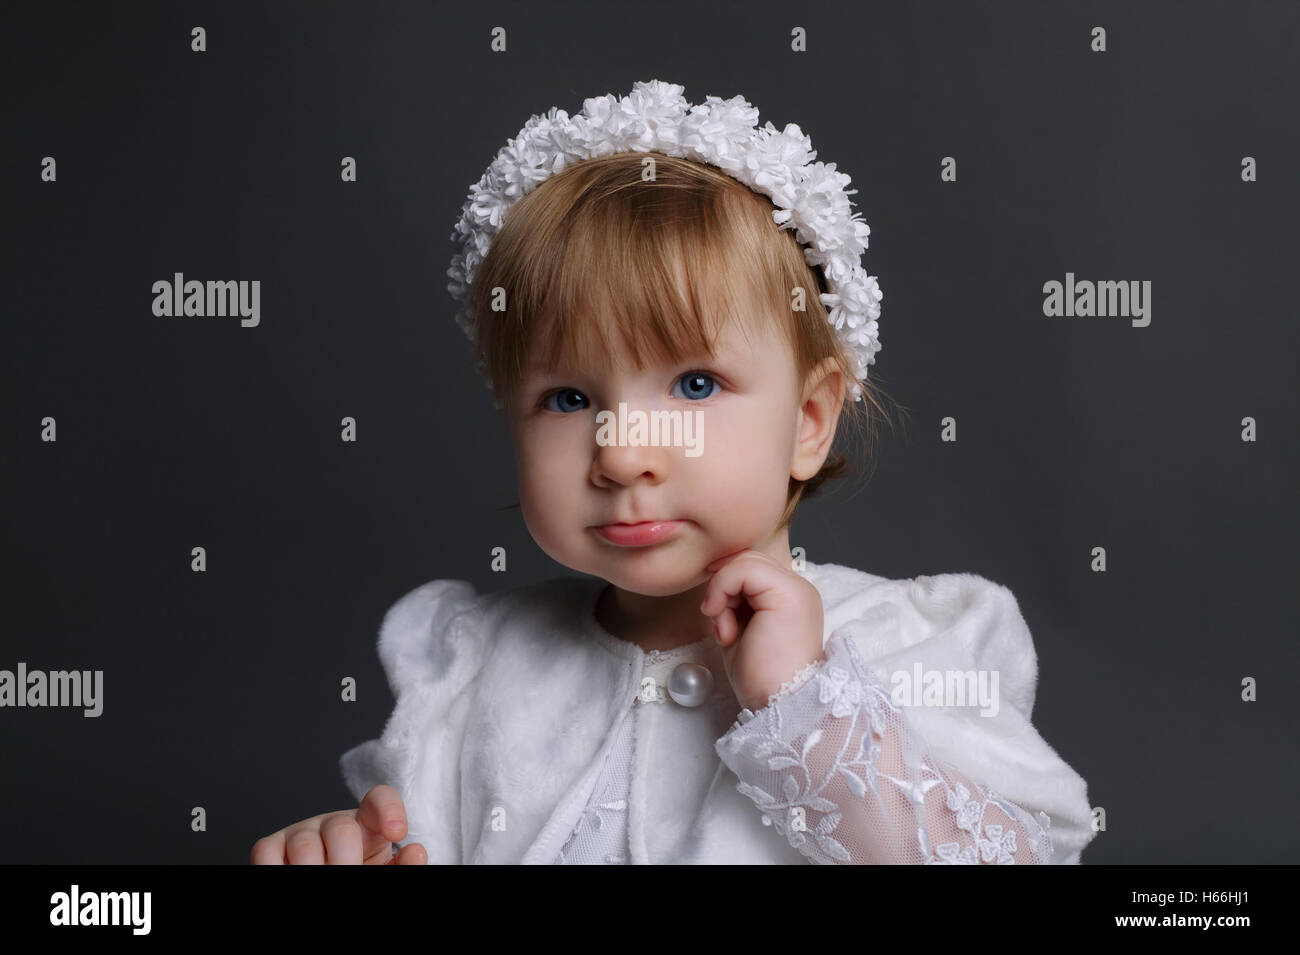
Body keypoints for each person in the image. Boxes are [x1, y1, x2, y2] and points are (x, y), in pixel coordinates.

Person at [251, 80, 1095, 865]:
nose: (621, 452)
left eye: (696, 384)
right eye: (569, 396)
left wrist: (805, 706)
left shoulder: (901, 645)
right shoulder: (475, 666)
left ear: (808, 421)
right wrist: (351, 848)